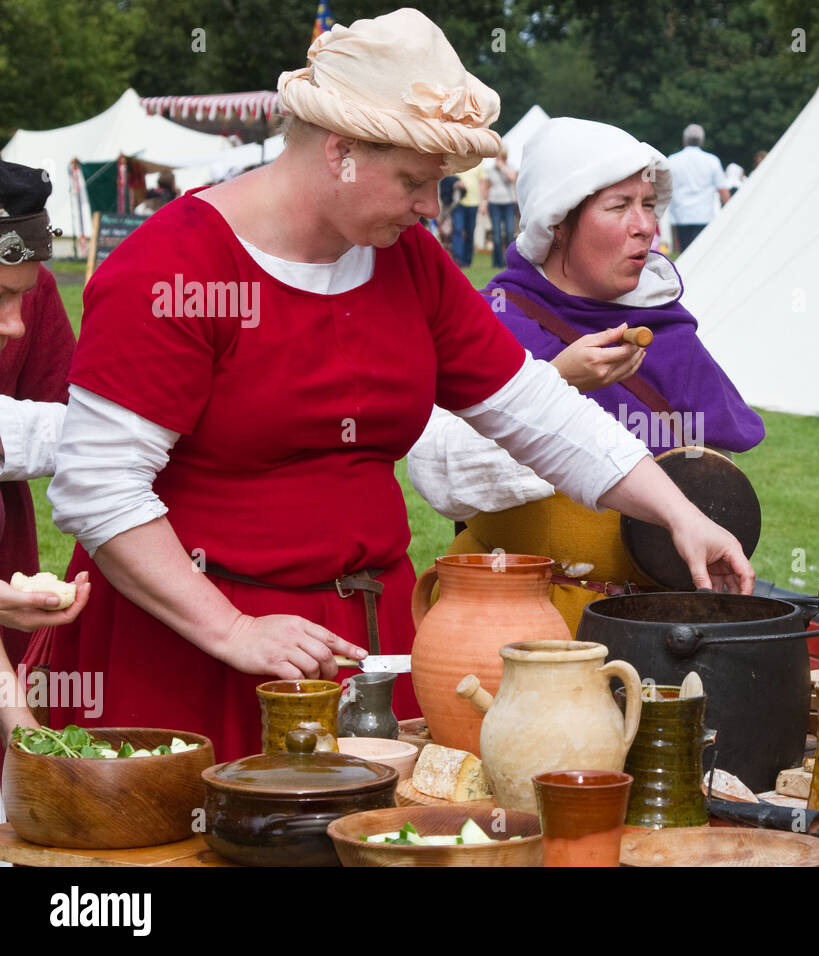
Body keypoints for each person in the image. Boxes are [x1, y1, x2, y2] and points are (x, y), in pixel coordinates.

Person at [41, 9, 752, 763]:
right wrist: (232, 630)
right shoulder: (173, 269)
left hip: (365, 642)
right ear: (340, 152)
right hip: (187, 648)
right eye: (415, 181)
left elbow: (536, 411)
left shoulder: (406, 261)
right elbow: (98, 486)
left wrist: (676, 513)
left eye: (439, 184)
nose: (430, 208)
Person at [408, 117, 765, 632]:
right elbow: (442, 474)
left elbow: (712, 474)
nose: (645, 225)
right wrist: (557, 380)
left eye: (648, 204)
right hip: (515, 623)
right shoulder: (491, 321)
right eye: (620, 206)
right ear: (555, 224)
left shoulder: (668, 330)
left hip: (658, 627)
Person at [0, 160, 92, 748]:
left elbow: (70, 421)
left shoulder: (35, 300)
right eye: (1, 297)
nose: (15, 324)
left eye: (22, 299)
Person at [666, 124, 729, 253]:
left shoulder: (672, 160)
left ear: (684, 141)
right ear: (702, 141)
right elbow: (723, 190)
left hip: (680, 216)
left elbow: (664, 187)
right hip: (704, 216)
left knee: (684, 255)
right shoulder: (712, 160)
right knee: (702, 255)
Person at [485, 146, 518, 269]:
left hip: (508, 203)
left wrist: (502, 167)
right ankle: (497, 262)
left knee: (510, 232)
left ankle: (510, 261)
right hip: (494, 203)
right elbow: (486, 187)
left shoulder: (511, 167)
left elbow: (513, 178)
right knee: (497, 234)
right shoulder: (490, 170)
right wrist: (484, 202)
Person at [452, 160, 485, 267]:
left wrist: (483, 203)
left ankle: (467, 261)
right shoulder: (457, 161)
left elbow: (482, 183)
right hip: (458, 203)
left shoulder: (479, 163)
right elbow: (449, 178)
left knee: (470, 232)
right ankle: (457, 259)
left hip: (474, 203)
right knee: (457, 230)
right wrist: (456, 183)